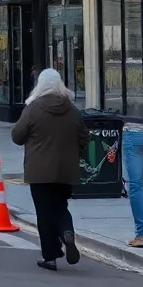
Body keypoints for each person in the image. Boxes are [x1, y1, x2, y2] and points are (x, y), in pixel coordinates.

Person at [11, 68, 89, 271]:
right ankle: (67, 232)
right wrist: (73, 153)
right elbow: (84, 138)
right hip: (66, 169)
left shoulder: (33, 108)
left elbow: (17, 136)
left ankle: (50, 256)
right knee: (60, 206)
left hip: (39, 169)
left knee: (44, 212)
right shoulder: (73, 109)